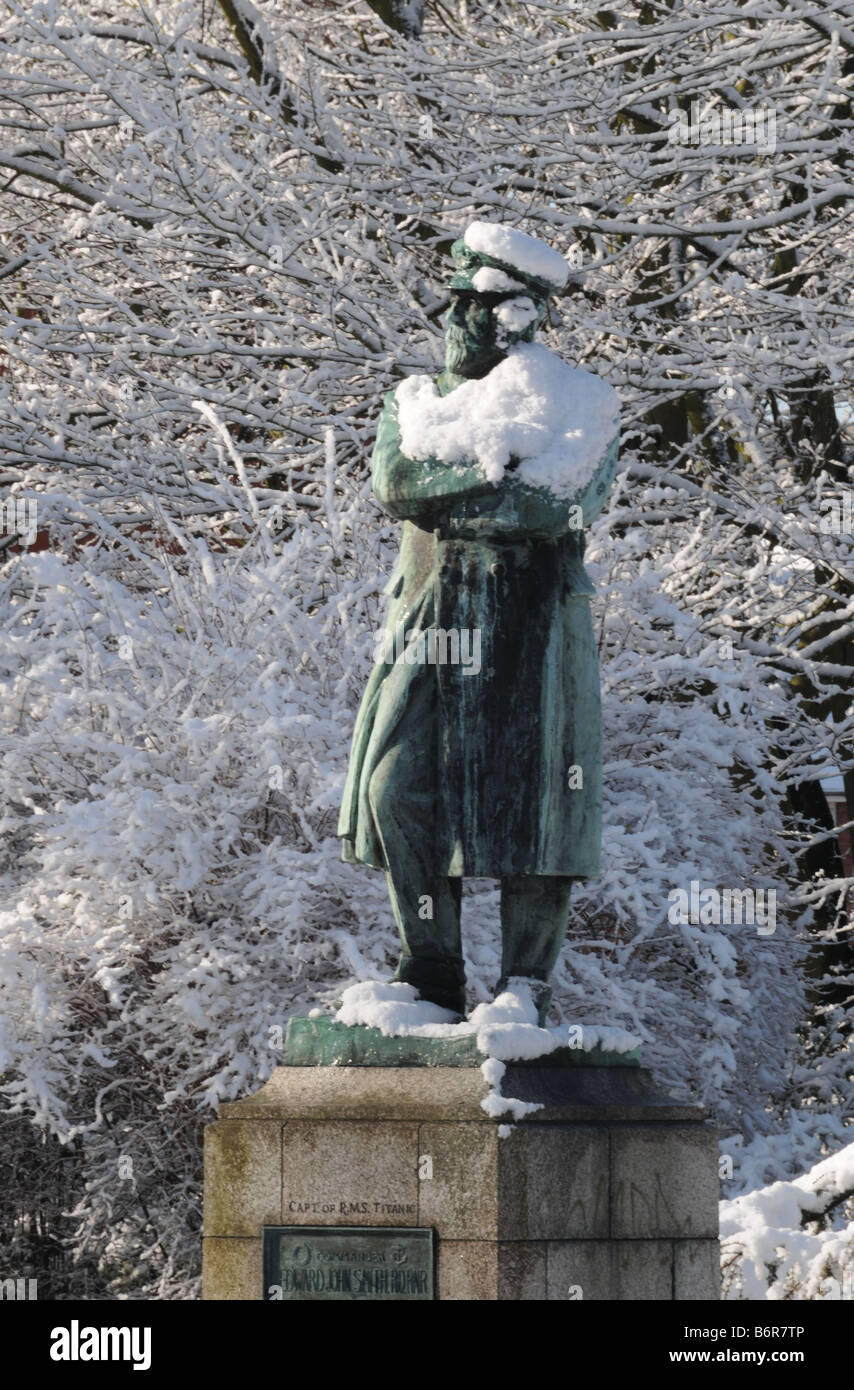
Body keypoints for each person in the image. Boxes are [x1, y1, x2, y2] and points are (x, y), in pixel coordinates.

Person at [338, 221, 620, 1023]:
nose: (459, 319)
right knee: (400, 789)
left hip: (534, 627)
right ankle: (430, 969)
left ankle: (525, 983)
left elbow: (559, 500)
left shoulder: (584, 402)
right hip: (430, 621)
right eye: (458, 302)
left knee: (539, 801)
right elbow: (397, 482)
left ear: (523, 314)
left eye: (480, 304)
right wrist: (497, 479)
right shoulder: (415, 401)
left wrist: (457, 489)